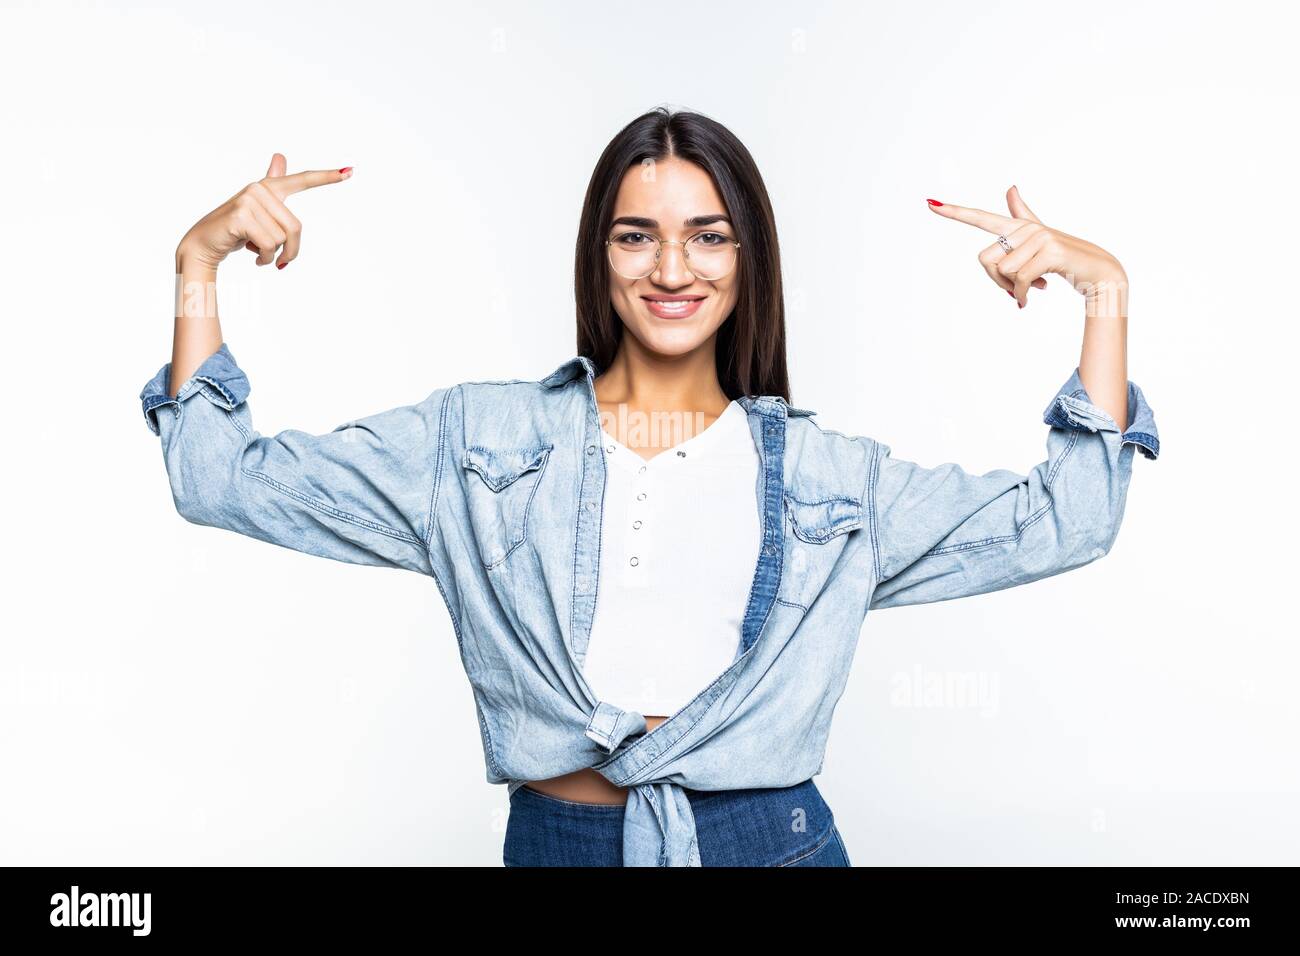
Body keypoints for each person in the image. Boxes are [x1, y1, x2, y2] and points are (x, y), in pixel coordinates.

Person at [140, 106, 1159, 867]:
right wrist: (198, 262)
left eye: (709, 234)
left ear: (747, 255)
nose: (672, 265)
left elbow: (1067, 521)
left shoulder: (829, 478)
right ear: (601, 252)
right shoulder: (475, 442)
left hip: (772, 841)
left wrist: (1102, 289)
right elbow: (218, 478)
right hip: (560, 840)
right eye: (637, 234)